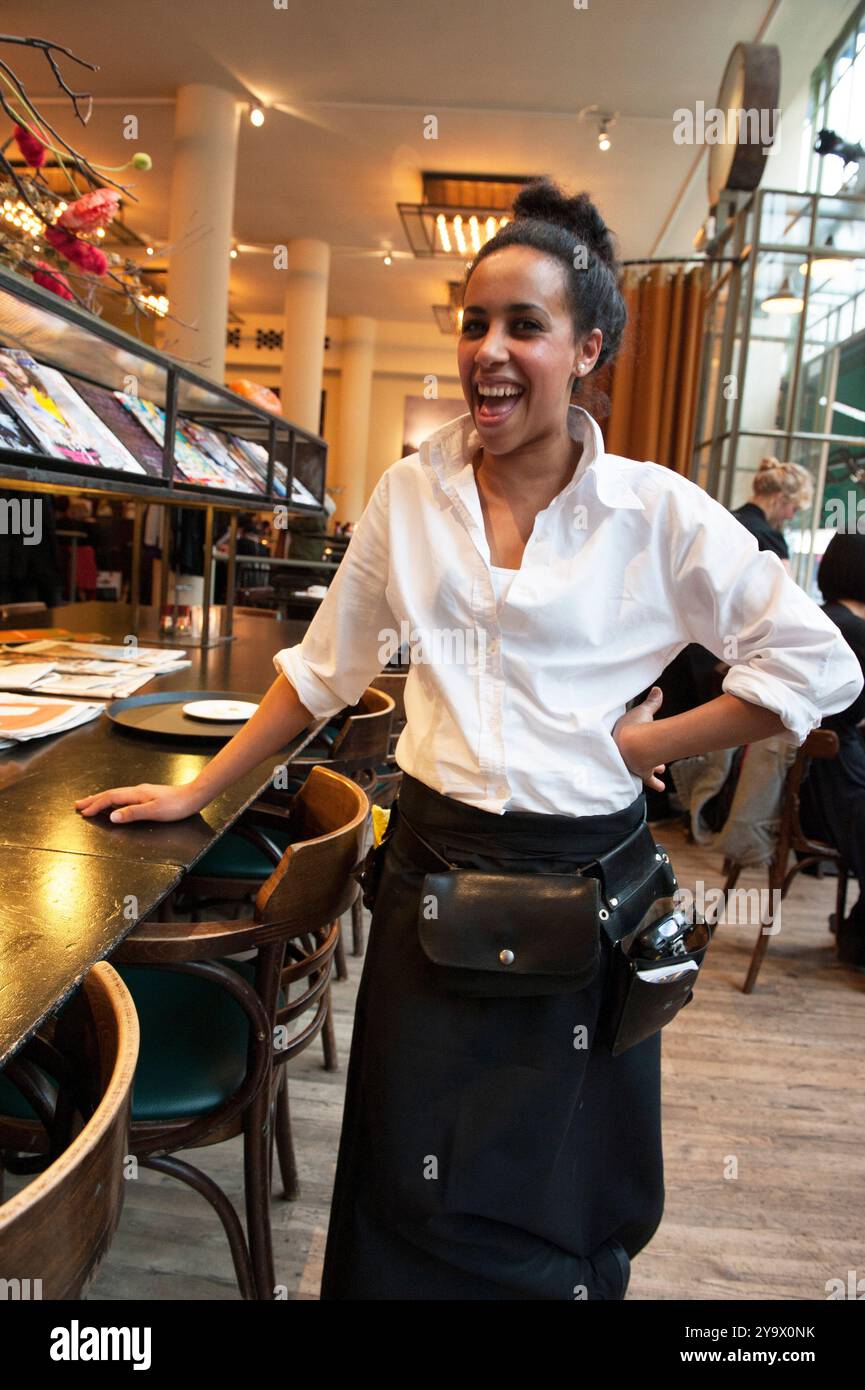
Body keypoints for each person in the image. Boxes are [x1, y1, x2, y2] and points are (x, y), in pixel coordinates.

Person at [73, 178, 864, 1301]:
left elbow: (817, 668)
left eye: (525, 325)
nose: (489, 349)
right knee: (407, 1176)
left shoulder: (656, 512)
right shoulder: (409, 494)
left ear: (587, 347)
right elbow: (320, 673)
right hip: (432, 873)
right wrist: (195, 793)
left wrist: (637, 751)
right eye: (474, 321)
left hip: (583, 892)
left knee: (554, 1186)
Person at [798, 532, 865, 968]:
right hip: (837, 787)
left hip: (807, 785)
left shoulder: (817, 618)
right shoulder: (856, 631)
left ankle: (856, 935)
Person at [731, 457, 813, 571]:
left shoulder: (726, 517)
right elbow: (783, 587)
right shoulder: (769, 539)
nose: (791, 516)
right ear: (779, 498)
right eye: (794, 509)